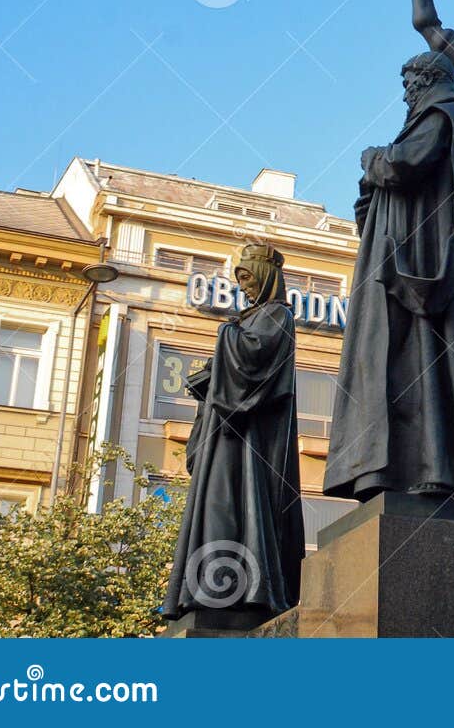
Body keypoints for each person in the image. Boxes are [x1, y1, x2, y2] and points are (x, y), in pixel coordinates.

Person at [324, 53, 454, 502]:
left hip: (426, 262)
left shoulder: (442, 115)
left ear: (429, 80)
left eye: (410, 83)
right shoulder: (436, 116)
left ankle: (441, 466)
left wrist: (371, 158)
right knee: (410, 363)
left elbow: (402, 166)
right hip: (407, 257)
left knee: (430, 359)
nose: (406, 92)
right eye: (406, 84)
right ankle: (407, 466)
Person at [162, 242, 304, 623]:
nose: (243, 287)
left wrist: (226, 335)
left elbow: (253, 361)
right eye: (239, 279)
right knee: (214, 504)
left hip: (248, 439)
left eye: (247, 278)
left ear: (266, 275)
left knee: (234, 503)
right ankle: (208, 586)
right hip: (224, 431)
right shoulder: (251, 318)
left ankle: (241, 589)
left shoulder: (278, 316)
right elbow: (235, 364)